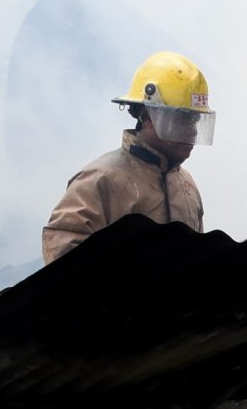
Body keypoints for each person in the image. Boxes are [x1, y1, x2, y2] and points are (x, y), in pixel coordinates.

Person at [42, 52, 212, 264]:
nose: (192, 131)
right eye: (182, 119)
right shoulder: (99, 181)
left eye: (195, 120)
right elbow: (61, 262)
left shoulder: (186, 186)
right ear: (149, 116)